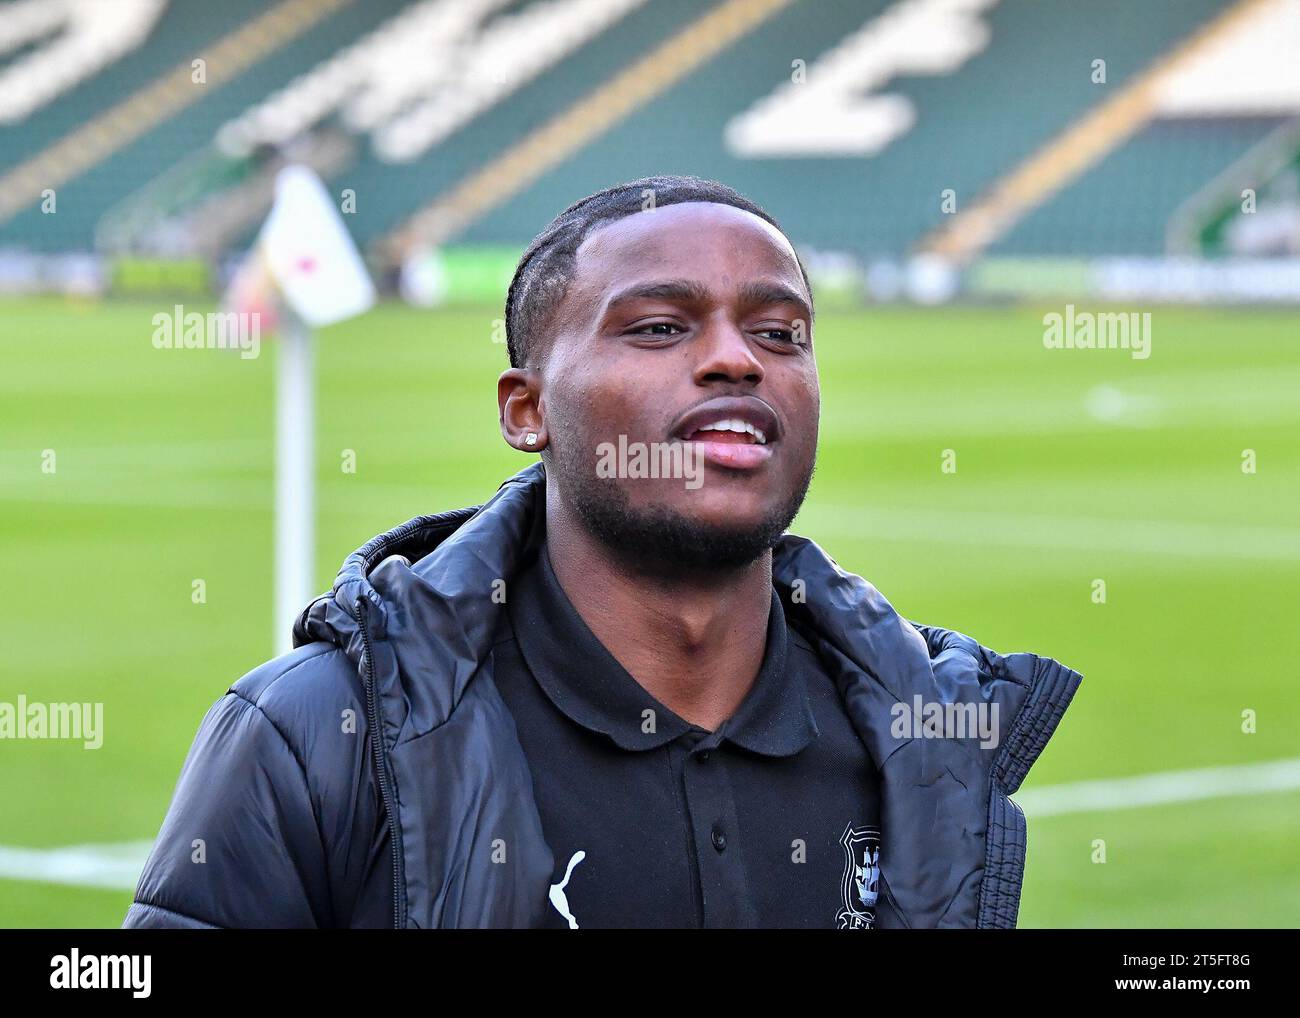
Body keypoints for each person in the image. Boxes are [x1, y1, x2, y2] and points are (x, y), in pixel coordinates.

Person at [124, 175, 1081, 929]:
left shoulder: (923, 740)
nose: (737, 360)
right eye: (660, 326)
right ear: (527, 409)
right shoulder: (320, 736)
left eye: (779, 332)